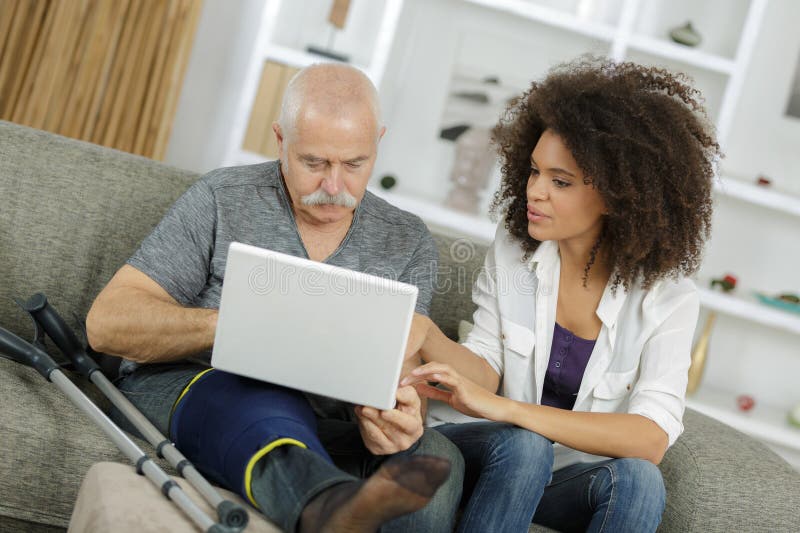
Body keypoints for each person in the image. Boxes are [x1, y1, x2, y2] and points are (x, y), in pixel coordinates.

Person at [86, 63, 464, 533]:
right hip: (198, 388)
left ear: (378, 143)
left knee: (433, 454)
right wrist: (238, 324)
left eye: (354, 164)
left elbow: (403, 374)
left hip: (323, 418)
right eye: (313, 163)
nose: (334, 187)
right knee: (262, 398)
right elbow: (106, 323)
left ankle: (329, 497)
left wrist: (398, 416)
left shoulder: (406, 240)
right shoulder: (222, 198)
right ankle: (324, 507)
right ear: (280, 139)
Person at [401, 57, 720, 532]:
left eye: (560, 181)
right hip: (486, 454)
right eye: (533, 171)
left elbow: (650, 437)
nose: (535, 192)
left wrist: (510, 410)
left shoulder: (668, 299)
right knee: (525, 447)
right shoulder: (515, 250)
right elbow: (485, 366)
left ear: (618, 194)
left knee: (640, 480)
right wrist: (427, 333)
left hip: (562, 478)